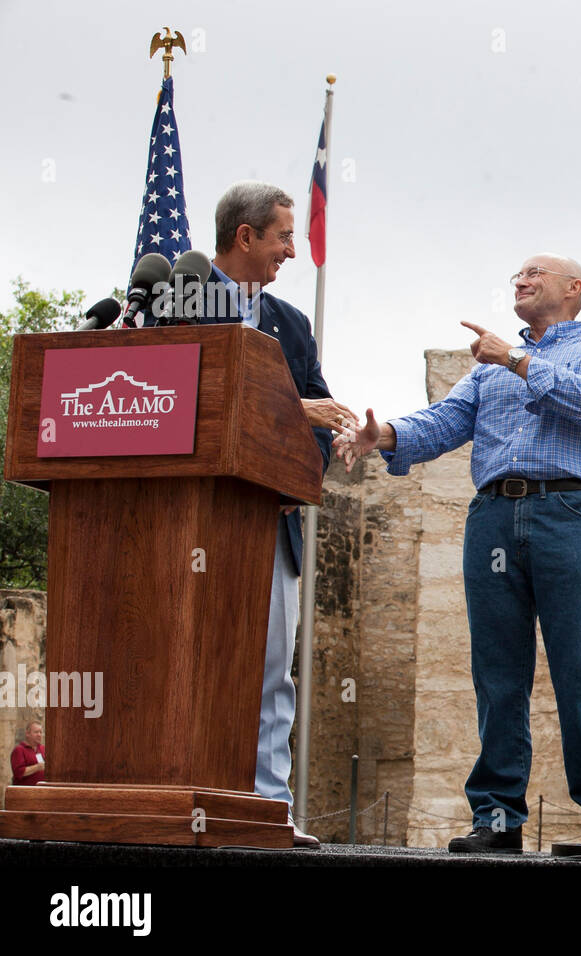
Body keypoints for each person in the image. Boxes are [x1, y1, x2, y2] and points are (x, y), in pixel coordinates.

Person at [334, 253, 581, 859]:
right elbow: (445, 422)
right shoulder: (484, 370)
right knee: (497, 671)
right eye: (516, 276)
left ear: (572, 289)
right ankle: (497, 816)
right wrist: (386, 436)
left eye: (535, 274)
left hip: (570, 514)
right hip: (495, 517)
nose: (520, 281)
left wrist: (518, 361)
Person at [150, 181, 358, 846]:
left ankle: (268, 808)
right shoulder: (174, 298)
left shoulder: (292, 325)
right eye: (282, 238)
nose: (291, 252)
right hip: (173, 517)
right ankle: (163, 796)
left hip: (267, 522)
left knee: (271, 670)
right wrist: (292, 410)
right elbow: (169, 389)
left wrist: (304, 462)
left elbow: (322, 423)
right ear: (245, 237)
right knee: (169, 657)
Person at [9, 721, 45, 786]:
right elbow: (18, 772)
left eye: (41, 732)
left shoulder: (43, 749)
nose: (39, 735)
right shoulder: (19, 750)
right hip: (25, 792)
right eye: (36, 732)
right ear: (27, 734)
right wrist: (37, 767)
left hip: (42, 791)